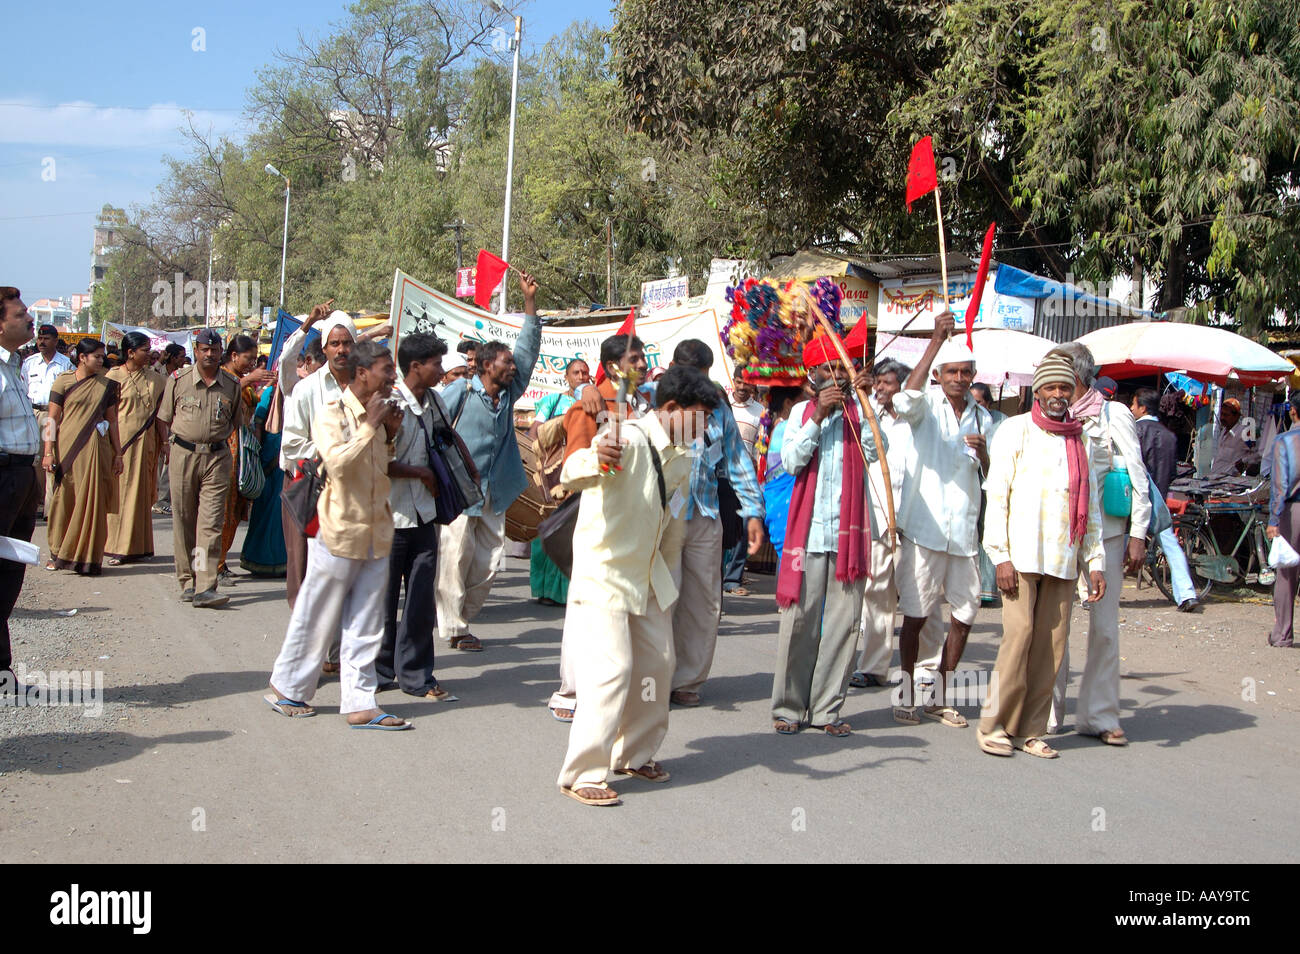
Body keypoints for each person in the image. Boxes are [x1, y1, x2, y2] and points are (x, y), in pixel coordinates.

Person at [555, 364, 717, 805]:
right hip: (605, 572)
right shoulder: (625, 437)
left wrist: (667, 586)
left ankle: (634, 754)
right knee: (613, 671)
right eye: (700, 417)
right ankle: (583, 772)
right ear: (671, 409)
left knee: (658, 665)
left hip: (647, 577)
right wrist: (596, 456)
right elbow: (574, 472)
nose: (705, 428)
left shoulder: (681, 456)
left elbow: (672, 527)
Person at [266, 339, 410, 728]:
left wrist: (390, 435)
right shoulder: (334, 413)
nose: (393, 377)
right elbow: (338, 464)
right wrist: (370, 428)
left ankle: (360, 702)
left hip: (376, 531)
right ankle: (288, 687)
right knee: (317, 614)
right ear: (362, 373)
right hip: (338, 531)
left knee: (368, 622)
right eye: (386, 370)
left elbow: (379, 467)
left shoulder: (378, 413)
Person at [977, 352, 1106, 759]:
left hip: (1063, 558)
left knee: (1052, 644)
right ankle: (994, 725)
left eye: (1064, 388)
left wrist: (1095, 562)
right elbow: (996, 497)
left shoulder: (1079, 437)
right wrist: (1000, 556)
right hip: (1021, 556)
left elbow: (1092, 506)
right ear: (1038, 390)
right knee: (1018, 639)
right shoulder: (1015, 430)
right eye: (1050, 387)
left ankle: (1030, 730)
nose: (1057, 394)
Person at [771, 334, 882, 737]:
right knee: (799, 620)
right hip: (810, 534)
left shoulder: (861, 410)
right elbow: (792, 462)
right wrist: (819, 415)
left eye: (842, 368)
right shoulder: (801, 411)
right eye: (828, 369)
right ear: (812, 374)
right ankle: (788, 706)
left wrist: (866, 410)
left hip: (849, 536)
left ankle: (827, 710)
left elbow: (877, 454)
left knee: (844, 623)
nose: (836, 375)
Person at [890, 313, 995, 727]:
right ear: (939, 374)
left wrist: (984, 455)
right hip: (925, 531)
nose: (958, 378)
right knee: (916, 616)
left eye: (965, 372)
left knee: (965, 616)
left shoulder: (984, 418)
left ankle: (938, 696)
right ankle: (906, 694)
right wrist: (935, 339)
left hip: (964, 536)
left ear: (973, 375)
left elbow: (992, 475)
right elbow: (903, 399)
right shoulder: (926, 407)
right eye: (951, 371)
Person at [1047, 343, 1150, 745]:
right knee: (1054, 627)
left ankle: (1100, 716)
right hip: (1059, 537)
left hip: (1105, 537)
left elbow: (1138, 476)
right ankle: (1049, 713)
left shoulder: (1113, 414)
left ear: (1079, 376)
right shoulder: (1049, 415)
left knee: (1104, 630)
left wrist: (1138, 535)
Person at [435, 271, 541, 652]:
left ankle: (461, 613)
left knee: (490, 562)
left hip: (494, 493)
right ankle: (455, 627)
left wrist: (529, 303)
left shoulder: (508, 395)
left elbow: (528, 353)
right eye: (506, 362)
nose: (513, 367)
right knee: (454, 557)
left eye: (512, 363)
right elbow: (433, 429)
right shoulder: (457, 392)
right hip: (459, 492)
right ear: (485, 366)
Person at [548, 334, 651, 722]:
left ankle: (617, 691)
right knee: (584, 610)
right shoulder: (589, 406)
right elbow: (572, 468)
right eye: (635, 359)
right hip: (598, 523)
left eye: (643, 358)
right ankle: (570, 692)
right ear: (612, 367)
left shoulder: (645, 404)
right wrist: (597, 455)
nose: (642, 365)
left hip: (636, 527)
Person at [665, 339, 764, 706]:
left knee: (705, 603)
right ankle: (654, 676)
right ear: (674, 367)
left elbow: (738, 461)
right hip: (662, 518)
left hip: (706, 515)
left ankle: (688, 680)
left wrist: (752, 511)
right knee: (661, 599)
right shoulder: (652, 399)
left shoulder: (719, 408)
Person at [850, 357, 945, 691]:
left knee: (921, 595)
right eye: (877, 383)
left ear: (903, 387)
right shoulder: (872, 419)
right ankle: (874, 666)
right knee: (876, 593)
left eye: (887, 384)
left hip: (916, 520)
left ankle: (927, 666)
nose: (879, 389)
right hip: (878, 515)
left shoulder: (920, 419)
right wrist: (860, 399)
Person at [379, 332, 455, 701]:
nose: (441, 371)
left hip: (425, 515)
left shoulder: (436, 402)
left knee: (422, 600)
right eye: (436, 364)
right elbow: (379, 462)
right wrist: (421, 473)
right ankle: (379, 672)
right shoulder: (389, 404)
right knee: (384, 599)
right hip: (391, 517)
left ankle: (417, 675)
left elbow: (446, 444)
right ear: (415, 367)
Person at [157, 329, 243, 608]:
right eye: (204, 349)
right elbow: (164, 418)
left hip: (217, 458)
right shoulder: (178, 381)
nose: (209, 354)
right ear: (196, 351)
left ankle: (206, 585)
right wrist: (166, 449)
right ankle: (187, 580)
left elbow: (238, 421)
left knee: (211, 522)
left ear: (221, 352)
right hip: (183, 454)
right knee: (184, 519)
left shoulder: (231, 383)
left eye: (214, 350)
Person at [280, 310, 357, 612]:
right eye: (335, 343)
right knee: (303, 565)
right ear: (324, 349)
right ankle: (308, 640)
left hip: (351, 490)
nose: (341, 350)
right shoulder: (306, 389)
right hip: (308, 485)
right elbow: (292, 444)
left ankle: (336, 647)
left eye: (347, 342)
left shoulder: (364, 388)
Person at [43, 339, 123, 575]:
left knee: (93, 502)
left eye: (102, 357)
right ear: (82, 358)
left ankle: (88, 558)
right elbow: (52, 419)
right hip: (67, 449)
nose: (101, 360)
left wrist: (118, 453)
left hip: (97, 451)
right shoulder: (63, 381)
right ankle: (57, 553)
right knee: (63, 500)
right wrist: (48, 451)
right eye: (97, 356)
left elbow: (113, 422)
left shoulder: (108, 385)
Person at [0, 288, 43, 686]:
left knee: (12, 571)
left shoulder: (14, 365)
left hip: (22, 477)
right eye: (20, 314)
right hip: (3, 478)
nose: (29, 319)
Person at [529, 358, 590, 606]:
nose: (581, 376)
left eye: (585, 373)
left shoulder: (593, 403)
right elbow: (534, 433)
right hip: (552, 477)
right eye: (576, 372)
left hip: (580, 475)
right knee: (548, 529)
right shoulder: (552, 402)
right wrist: (558, 431)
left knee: (571, 531)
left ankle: (563, 592)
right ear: (566, 377)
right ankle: (543, 588)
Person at [1131, 386, 1199, 612]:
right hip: (1160, 499)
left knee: (1116, 542)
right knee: (1171, 546)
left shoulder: (1134, 431)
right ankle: (1187, 595)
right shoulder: (1169, 436)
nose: (1132, 409)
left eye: (1133, 405)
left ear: (1142, 407)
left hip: (1136, 500)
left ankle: (1095, 592)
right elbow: (1171, 472)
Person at [104, 332, 165, 565]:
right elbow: (107, 416)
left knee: (141, 495)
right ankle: (117, 547)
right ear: (130, 352)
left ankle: (139, 547)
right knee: (122, 495)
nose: (150, 354)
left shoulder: (157, 380)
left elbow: (162, 416)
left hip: (147, 446)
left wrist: (166, 443)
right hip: (121, 446)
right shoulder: (113, 377)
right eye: (145, 350)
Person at [217, 335, 273, 579]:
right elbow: (221, 396)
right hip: (225, 449)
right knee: (221, 509)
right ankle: (212, 565)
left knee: (236, 508)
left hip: (243, 449)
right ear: (233, 356)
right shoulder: (221, 377)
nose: (251, 364)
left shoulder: (244, 381)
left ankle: (220, 562)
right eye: (248, 359)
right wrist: (249, 379)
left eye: (254, 359)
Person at [21, 323, 72, 519]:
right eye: (40, 338)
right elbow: (24, 389)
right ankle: (33, 504)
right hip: (32, 414)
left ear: (55, 341)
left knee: (51, 459)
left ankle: (50, 510)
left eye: (46, 339)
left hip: (53, 416)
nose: (42, 342)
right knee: (33, 461)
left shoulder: (65, 364)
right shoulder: (29, 363)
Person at [723, 366, 765, 595]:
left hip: (746, 476)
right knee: (721, 526)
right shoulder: (721, 403)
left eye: (745, 382)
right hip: (721, 475)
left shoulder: (760, 411)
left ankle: (732, 580)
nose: (741, 387)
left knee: (742, 527)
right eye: (737, 381)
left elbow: (762, 447)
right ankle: (716, 577)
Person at [239, 380, 287, 577]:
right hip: (269, 457)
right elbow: (259, 425)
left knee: (282, 511)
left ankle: (282, 560)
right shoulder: (271, 392)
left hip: (287, 457)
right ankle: (260, 559)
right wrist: (257, 455)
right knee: (267, 508)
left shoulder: (299, 389)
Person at [1265, 393, 1300, 648]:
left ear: (1293, 412)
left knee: (1287, 574)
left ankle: (1283, 635)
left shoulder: (1284, 441)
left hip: (1293, 511)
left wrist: (1274, 520)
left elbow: (1280, 485)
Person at [759, 385, 804, 562]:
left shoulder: (771, 427)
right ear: (788, 404)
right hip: (785, 500)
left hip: (775, 499)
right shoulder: (787, 428)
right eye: (802, 400)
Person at [153, 343, 189, 516]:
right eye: (181, 356)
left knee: (169, 460)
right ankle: (157, 499)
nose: (183, 359)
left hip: (174, 422)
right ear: (173, 357)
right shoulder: (158, 374)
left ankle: (163, 498)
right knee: (159, 461)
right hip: (158, 422)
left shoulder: (182, 375)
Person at [1209, 398, 1259, 478]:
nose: (1222, 418)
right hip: (1215, 477)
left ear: (1236, 416)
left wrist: (1244, 461)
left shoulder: (1244, 432)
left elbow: (1259, 453)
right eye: (1221, 414)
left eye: (1226, 415)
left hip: (1230, 481)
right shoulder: (1223, 431)